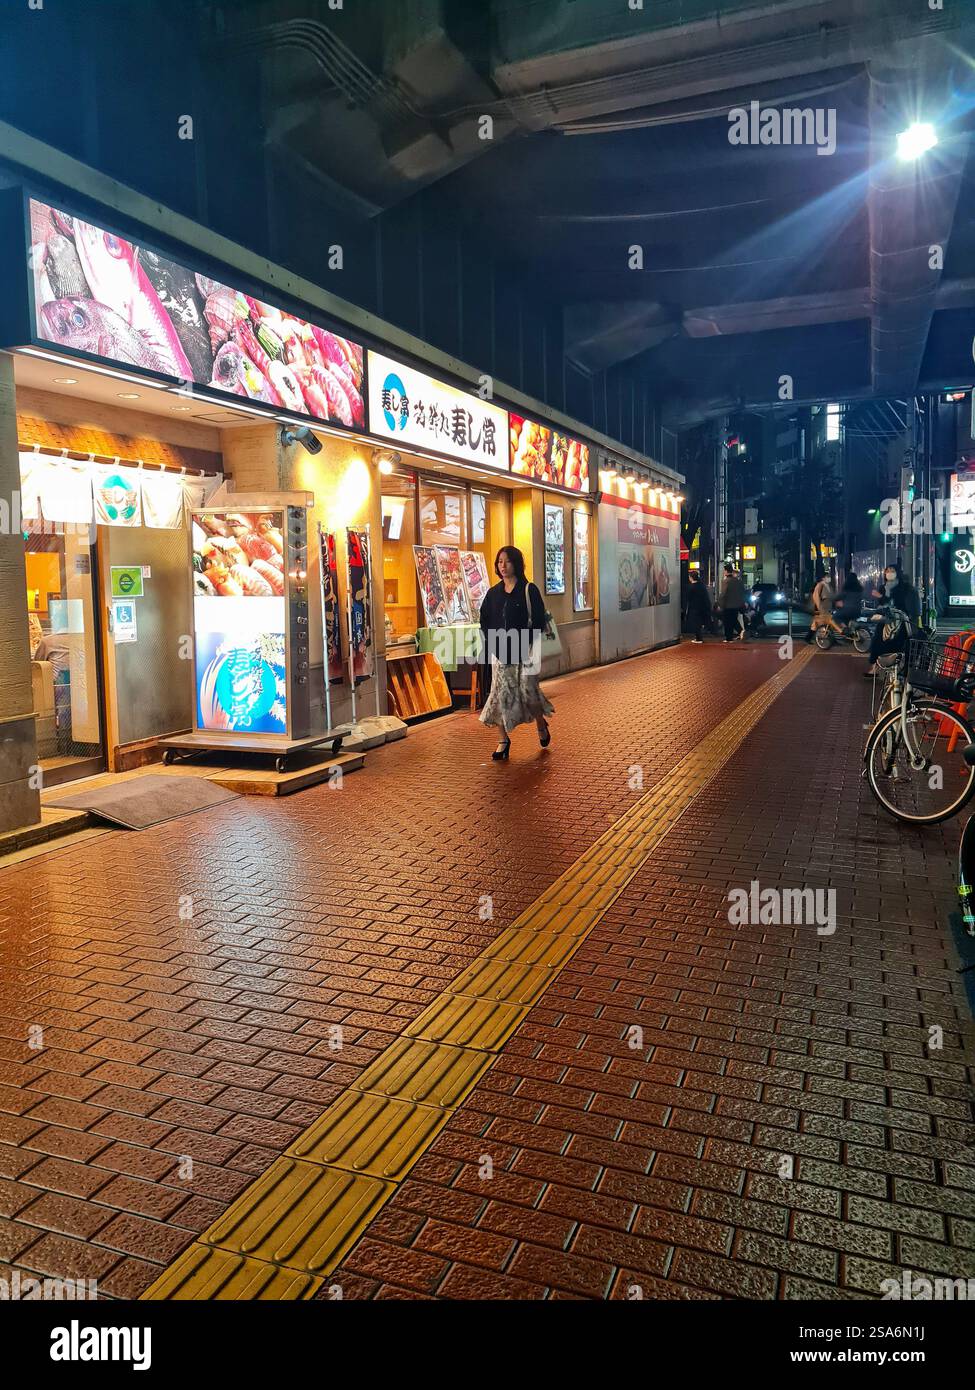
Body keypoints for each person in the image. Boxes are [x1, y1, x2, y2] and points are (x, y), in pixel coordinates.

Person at [478, 546, 554, 760]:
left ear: (516, 564)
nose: (503, 566)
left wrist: (524, 640)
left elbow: (538, 621)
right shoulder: (493, 593)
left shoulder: (529, 589)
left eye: (507, 561)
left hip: (525, 652)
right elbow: (484, 619)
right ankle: (503, 741)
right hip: (501, 653)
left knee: (529, 692)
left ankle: (541, 723)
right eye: (499, 562)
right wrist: (492, 641)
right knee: (498, 695)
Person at [863, 566, 920, 677]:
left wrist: (882, 597)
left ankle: (900, 668)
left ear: (897, 573)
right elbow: (882, 604)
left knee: (899, 643)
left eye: (892, 571)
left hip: (900, 620)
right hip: (886, 620)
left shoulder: (904, 588)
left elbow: (900, 604)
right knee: (877, 641)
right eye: (887, 571)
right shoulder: (882, 587)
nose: (889, 573)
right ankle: (875, 668)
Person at [806, 573, 839, 643]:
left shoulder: (829, 586)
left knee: (822, 623)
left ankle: (809, 638)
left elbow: (832, 596)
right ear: (823, 578)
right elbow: (816, 596)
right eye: (827, 577)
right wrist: (819, 607)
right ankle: (811, 638)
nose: (829, 578)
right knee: (821, 623)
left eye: (829, 577)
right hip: (821, 608)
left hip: (827, 608)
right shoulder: (820, 585)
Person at [718, 563, 746, 642]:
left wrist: (720, 603)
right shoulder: (738, 581)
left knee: (727, 621)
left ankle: (729, 637)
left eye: (724, 571)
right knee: (733, 619)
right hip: (736, 605)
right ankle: (740, 631)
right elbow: (742, 592)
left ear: (726, 571)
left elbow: (723, 593)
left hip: (727, 605)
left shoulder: (726, 581)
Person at [685, 571, 712, 643]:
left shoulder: (691, 587)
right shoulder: (701, 585)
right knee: (699, 622)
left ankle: (698, 638)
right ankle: (698, 637)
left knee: (695, 623)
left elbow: (688, 598)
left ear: (691, 578)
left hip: (694, 607)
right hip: (702, 607)